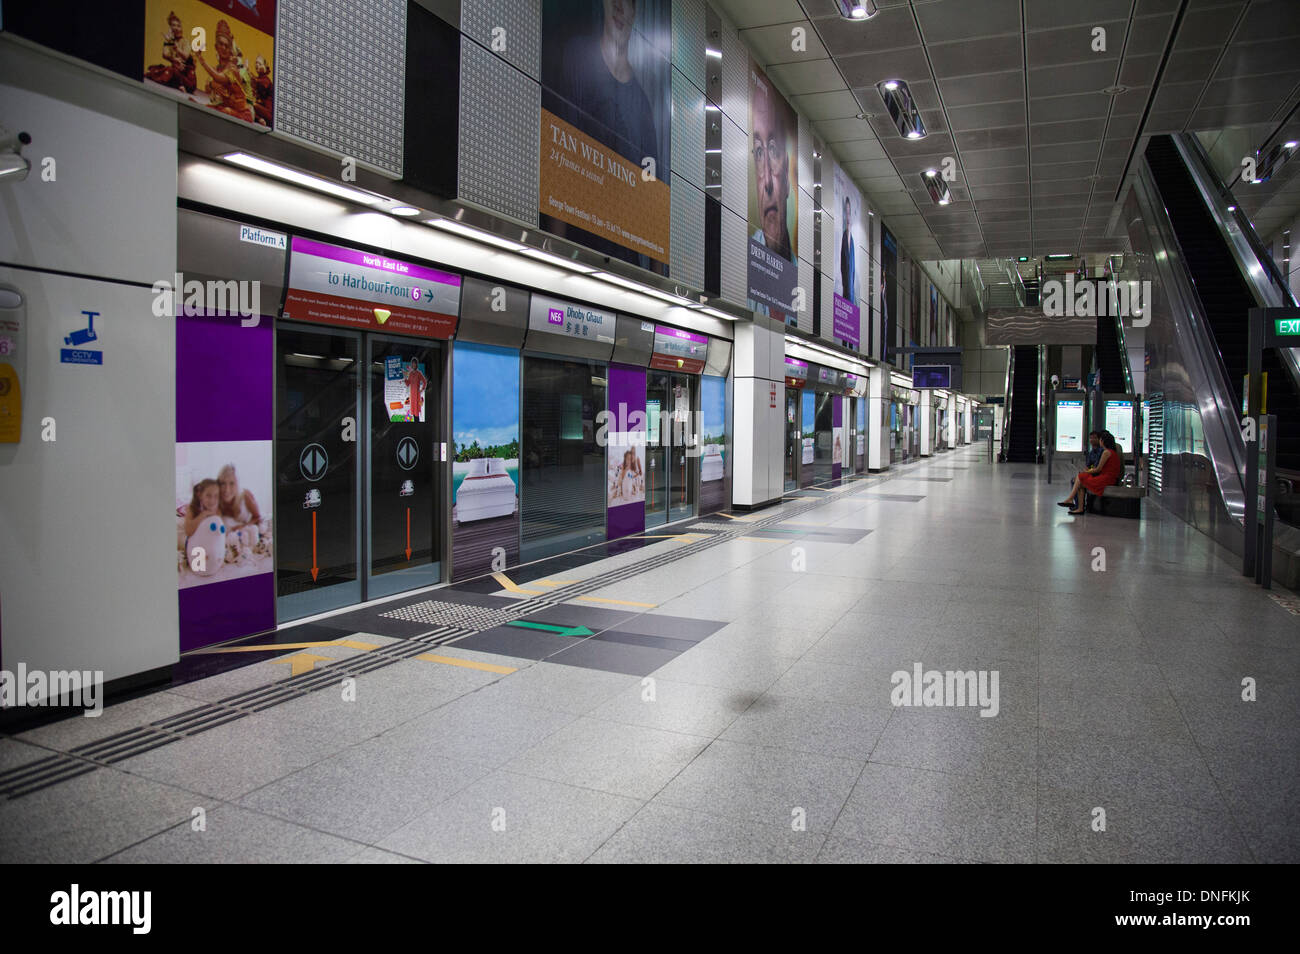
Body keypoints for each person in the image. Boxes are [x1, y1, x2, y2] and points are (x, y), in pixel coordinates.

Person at [750, 76, 793, 263]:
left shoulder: (799, 272)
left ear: (787, 175)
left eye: (774, 150)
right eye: (759, 152)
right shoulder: (740, 262)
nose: (767, 180)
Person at [195, 20, 255, 123]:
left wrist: (202, 60)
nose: (223, 48)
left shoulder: (235, 69)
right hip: (224, 105)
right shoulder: (217, 68)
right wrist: (212, 85)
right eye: (221, 44)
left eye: (227, 46)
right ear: (216, 47)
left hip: (242, 112)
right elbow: (208, 88)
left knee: (225, 111)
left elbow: (219, 78)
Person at [1059, 430, 1122, 514]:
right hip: (1109, 478)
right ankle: (1077, 505)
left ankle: (1072, 501)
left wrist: (1088, 472)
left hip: (1106, 479)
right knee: (1080, 481)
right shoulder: (1112, 452)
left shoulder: (1106, 452)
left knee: (1081, 476)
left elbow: (1098, 469)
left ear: (1102, 441)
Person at [217, 464, 261, 530]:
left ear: (237, 484)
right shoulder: (216, 500)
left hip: (246, 530)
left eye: (232, 483)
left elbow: (258, 517)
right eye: (223, 483)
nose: (227, 489)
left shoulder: (245, 496)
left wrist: (243, 527)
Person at [839, 196, 856, 301]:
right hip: (846, 291)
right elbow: (843, 267)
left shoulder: (852, 241)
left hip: (851, 292)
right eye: (846, 213)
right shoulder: (844, 237)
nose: (848, 217)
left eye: (849, 213)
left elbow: (852, 271)